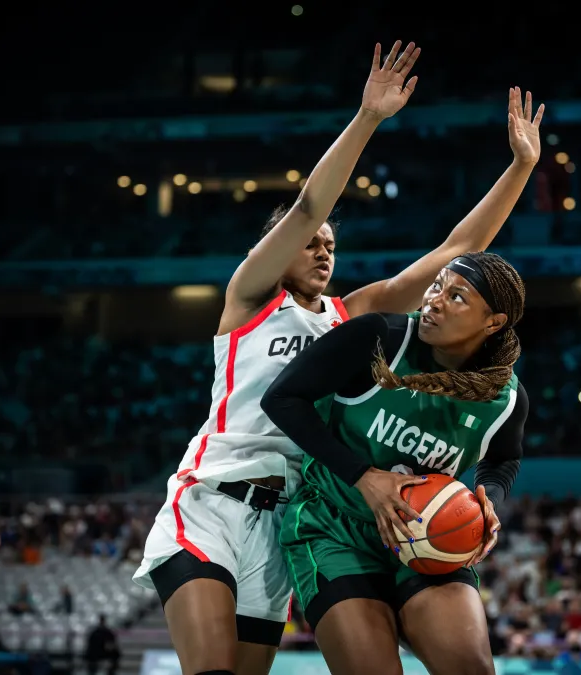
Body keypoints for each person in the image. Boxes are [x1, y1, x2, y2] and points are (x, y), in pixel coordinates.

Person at [133, 38, 544, 675]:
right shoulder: (248, 301)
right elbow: (307, 206)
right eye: (310, 244)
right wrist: (368, 118)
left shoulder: (353, 318)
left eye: (331, 245)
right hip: (214, 494)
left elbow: (459, 250)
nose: (324, 250)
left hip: (287, 517)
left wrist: (519, 167)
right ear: (276, 248)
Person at [261, 251, 531, 675]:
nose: (435, 300)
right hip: (336, 527)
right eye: (437, 285)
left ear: (492, 322)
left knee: (471, 669)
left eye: (457, 297)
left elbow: (503, 457)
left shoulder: (504, 399)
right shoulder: (378, 337)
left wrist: (489, 496)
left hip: (429, 537)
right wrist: (363, 476)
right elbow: (281, 398)